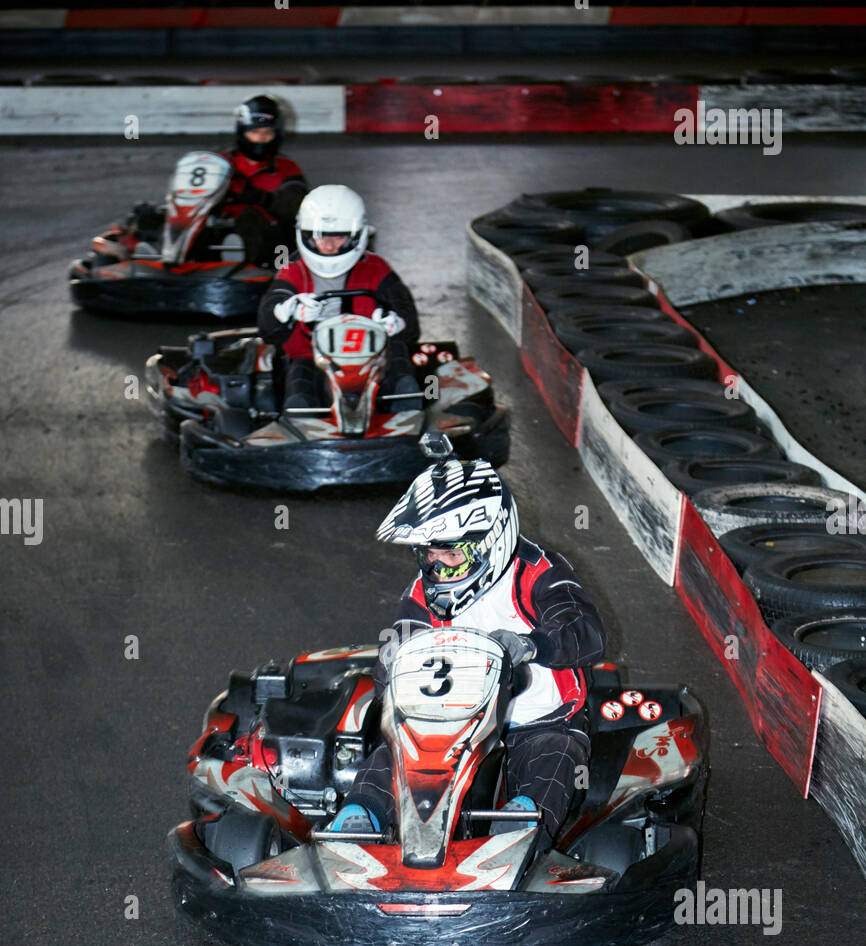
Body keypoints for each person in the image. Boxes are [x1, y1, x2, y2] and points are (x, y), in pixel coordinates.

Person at [328, 454, 607, 850]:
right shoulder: (422, 594)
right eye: (430, 555)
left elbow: (587, 631)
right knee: (392, 756)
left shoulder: (538, 573)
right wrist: (390, 666)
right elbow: (391, 673)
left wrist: (532, 645)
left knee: (555, 759)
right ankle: (361, 818)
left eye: (452, 555)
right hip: (449, 727)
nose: (438, 569)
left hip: (541, 723)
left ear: (489, 543)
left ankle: (518, 832)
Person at [256, 184, 422, 421]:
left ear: (356, 235)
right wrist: (289, 308)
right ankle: (301, 422)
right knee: (299, 382)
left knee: (398, 355)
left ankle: (407, 416)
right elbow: (268, 322)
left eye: (338, 237)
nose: (328, 246)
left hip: (370, 364)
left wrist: (396, 323)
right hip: (313, 361)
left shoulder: (376, 269)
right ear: (305, 234)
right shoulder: (292, 271)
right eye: (320, 237)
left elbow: (410, 324)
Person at [101, 95, 307, 266]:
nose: (260, 139)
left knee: (250, 219)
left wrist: (257, 196)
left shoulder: (286, 168)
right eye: (254, 132)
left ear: (276, 134)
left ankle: (237, 263)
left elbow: (295, 208)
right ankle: (156, 254)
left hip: (263, 237)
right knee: (156, 214)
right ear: (242, 133)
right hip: (216, 227)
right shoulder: (221, 163)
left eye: (266, 133)